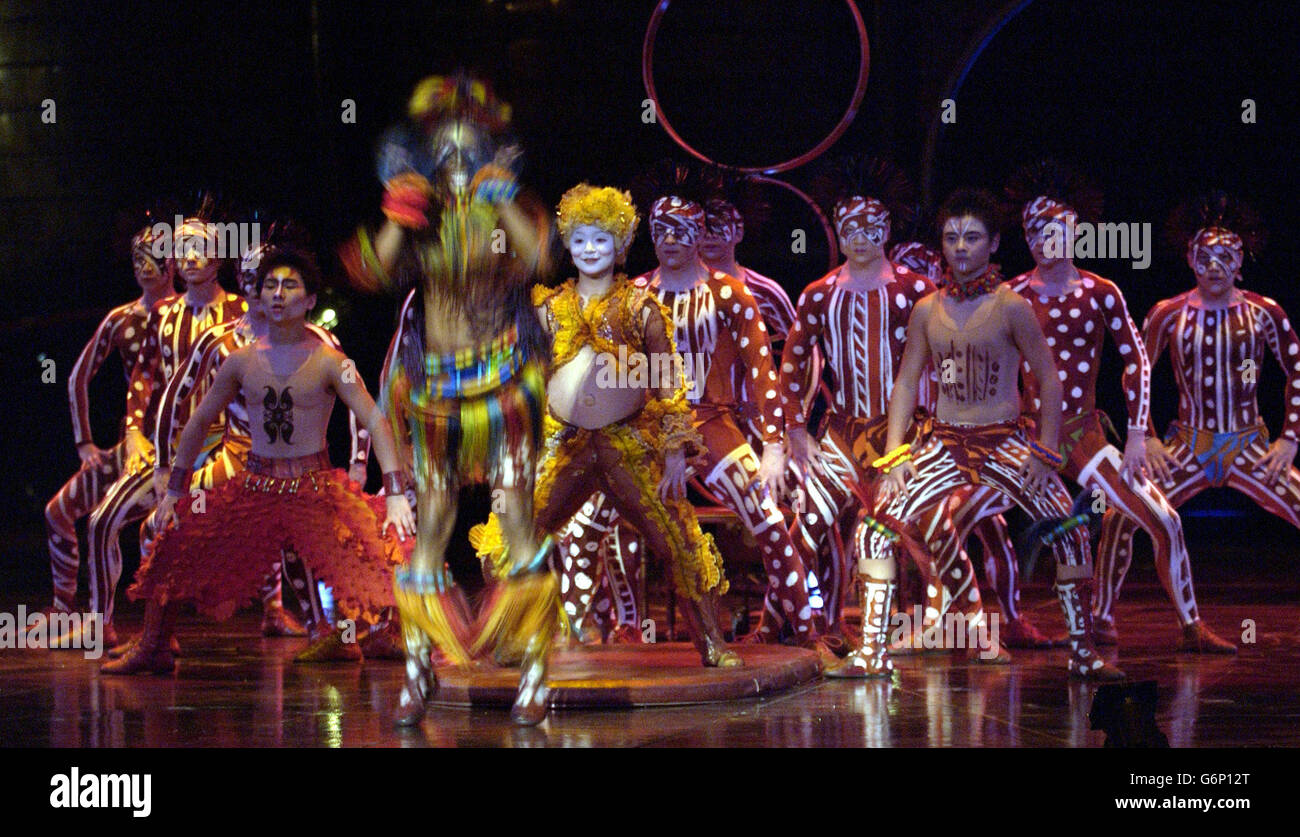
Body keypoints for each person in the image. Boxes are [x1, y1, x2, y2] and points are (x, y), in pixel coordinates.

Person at [340, 74, 556, 725]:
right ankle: (416, 672)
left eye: (470, 147)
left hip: (504, 387)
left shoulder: (507, 210)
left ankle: (535, 675)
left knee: (516, 520)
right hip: (436, 389)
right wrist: (394, 212)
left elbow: (541, 259)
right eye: (447, 150)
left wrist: (507, 197)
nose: (458, 160)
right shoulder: (422, 218)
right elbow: (373, 273)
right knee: (430, 529)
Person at [947, 161, 1233, 653]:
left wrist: (1139, 435)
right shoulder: (1007, 294)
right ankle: (972, 623)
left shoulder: (1101, 292)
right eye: (1033, 230)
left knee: (1165, 520)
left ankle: (1190, 626)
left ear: (1075, 231)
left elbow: (1137, 364)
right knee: (949, 517)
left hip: (1083, 434)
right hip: (1024, 438)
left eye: (1054, 228)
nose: (1043, 239)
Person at [839, 188, 1125, 680]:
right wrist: (894, 456)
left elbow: (1049, 379)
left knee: (1070, 532)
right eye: (951, 238)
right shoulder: (928, 308)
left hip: (1004, 441)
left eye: (972, 237)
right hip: (946, 443)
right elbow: (907, 382)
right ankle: (870, 652)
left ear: (993, 244)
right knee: (874, 530)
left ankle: (1083, 654)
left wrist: (1045, 453)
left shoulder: (1012, 306)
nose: (960, 247)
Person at [102, 246, 415, 674]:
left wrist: (395, 492)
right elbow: (196, 424)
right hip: (255, 487)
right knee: (174, 546)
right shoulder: (239, 361)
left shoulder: (332, 362)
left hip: (314, 488)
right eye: (270, 285)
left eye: (290, 286)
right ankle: (154, 646)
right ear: (259, 295)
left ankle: (375, 636)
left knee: (386, 552)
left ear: (309, 300)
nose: (278, 294)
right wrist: (173, 491)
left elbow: (377, 422)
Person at [475, 184, 739, 667]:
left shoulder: (641, 308)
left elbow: (667, 382)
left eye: (601, 240)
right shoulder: (548, 308)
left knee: (677, 539)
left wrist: (677, 450)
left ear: (620, 246)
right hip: (565, 444)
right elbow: (525, 382)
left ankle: (712, 645)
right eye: (580, 241)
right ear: (569, 246)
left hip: (629, 447)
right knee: (510, 534)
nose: (590, 250)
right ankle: (512, 636)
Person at [631, 161, 825, 651]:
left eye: (681, 230)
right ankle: (612, 633)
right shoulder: (634, 295)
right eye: (660, 230)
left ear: (699, 234)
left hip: (712, 420)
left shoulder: (730, 294)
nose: (669, 240)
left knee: (769, 518)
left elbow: (764, 373)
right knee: (597, 515)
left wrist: (776, 444)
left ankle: (808, 635)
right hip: (649, 426)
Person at [1096, 191, 1300, 644]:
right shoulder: (1168, 313)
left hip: (1248, 445)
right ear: (1189, 258)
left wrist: (1289, 440)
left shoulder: (1265, 313)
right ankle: (1102, 615)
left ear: (1241, 261)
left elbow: (1297, 369)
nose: (1214, 265)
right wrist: (1145, 438)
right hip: (1187, 445)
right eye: (1204, 256)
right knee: (1119, 516)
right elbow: (1137, 374)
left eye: (1225, 256)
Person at [780, 157, 935, 650]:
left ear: (887, 228)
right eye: (850, 227)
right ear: (837, 232)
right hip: (842, 436)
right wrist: (795, 430)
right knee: (802, 529)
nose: (861, 237)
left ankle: (943, 625)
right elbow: (793, 366)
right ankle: (799, 628)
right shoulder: (819, 294)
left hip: (904, 437)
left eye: (871, 227)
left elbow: (947, 356)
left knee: (916, 532)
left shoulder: (916, 290)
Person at [82, 203, 246, 647]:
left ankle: (160, 636)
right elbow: (145, 378)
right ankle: (104, 625)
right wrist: (135, 432)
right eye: (182, 250)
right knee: (101, 521)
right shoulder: (164, 316)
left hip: (226, 445)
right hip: (169, 446)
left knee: (164, 525)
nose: (190, 258)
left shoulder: (241, 310)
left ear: (218, 257)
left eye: (200, 249)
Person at [40, 218, 175, 646]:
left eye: (154, 257)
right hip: (129, 446)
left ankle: (143, 628)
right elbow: (76, 377)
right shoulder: (121, 319)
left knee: (137, 525)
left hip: (174, 447)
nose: (145, 266)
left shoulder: (190, 315)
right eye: (138, 259)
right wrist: (84, 442)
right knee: (58, 512)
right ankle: (66, 611)